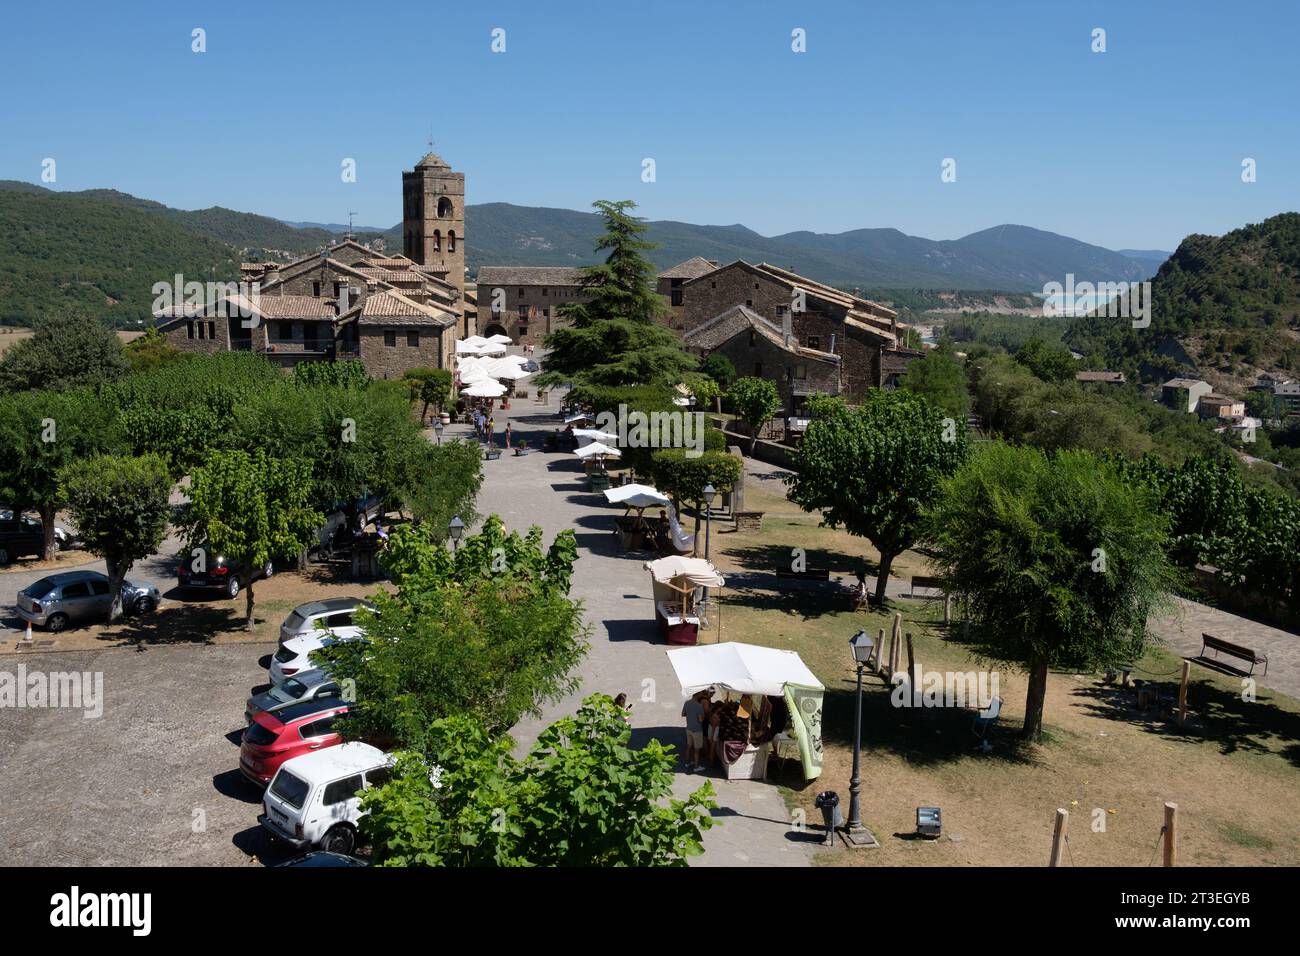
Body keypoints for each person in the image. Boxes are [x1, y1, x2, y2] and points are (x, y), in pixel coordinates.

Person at [680, 691, 707, 772]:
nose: (702, 695)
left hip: (689, 728)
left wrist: (690, 714)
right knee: (696, 749)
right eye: (701, 693)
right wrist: (703, 715)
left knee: (689, 746)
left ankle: (687, 763)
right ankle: (696, 766)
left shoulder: (687, 703)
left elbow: (683, 714)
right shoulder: (699, 706)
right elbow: (700, 719)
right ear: (698, 694)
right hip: (697, 730)